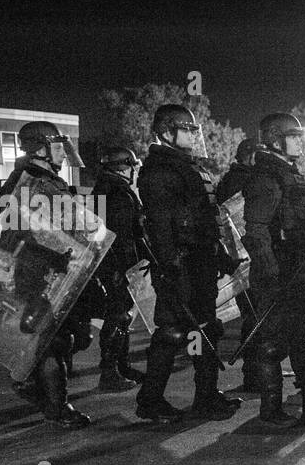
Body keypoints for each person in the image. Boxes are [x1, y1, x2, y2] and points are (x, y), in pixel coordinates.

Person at [134, 104, 242, 423]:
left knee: (206, 329)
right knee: (171, 333)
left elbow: (203, 217)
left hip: (200, 261)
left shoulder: (186, 166)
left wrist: (219, 253)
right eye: (188, 129)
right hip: (180, 265)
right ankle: (150, 400)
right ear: (167, 132)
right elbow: (160, 225)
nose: (195, 135)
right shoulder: (159, 171)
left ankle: (206, 396)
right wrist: (170, 268)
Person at [242, 113, 305, 428]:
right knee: (272, 343)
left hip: (294, 268)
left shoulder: (287, 173)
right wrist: (271, 272)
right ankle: (271, 410)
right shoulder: (267, 177)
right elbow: (256, 230)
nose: (301, 141)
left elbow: (293, 225)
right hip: (277, 272)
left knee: (302, 338)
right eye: (294, 135)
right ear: (276, 139)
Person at [0, 121, 98, 428]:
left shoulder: (37, 179)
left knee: (62, 337)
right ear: (40, 149)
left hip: (50, 268)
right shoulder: (34, 182)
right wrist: (63, 250)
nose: (62, 154)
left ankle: (30, 381)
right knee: (52, 340)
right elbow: (25, 227)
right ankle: (56, 407)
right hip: (40, 271)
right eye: (57, 147)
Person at [91, 146, 145, 392]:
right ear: (125, 167)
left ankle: (121, 366)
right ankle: (110, 371)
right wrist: (124, 267)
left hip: (110, 263)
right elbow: (122, 234)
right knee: (119, 316)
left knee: (122, 315)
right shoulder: (118, 192)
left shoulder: (103, 188)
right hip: (117, 264)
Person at [215, 137, 261, 392]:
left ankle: (255, 371)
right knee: (255, 316)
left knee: (254, 315)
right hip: (247, 257)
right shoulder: (242, 182)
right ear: (251, 156)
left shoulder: (232, 179)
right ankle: (254, 373)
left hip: (243, 256)